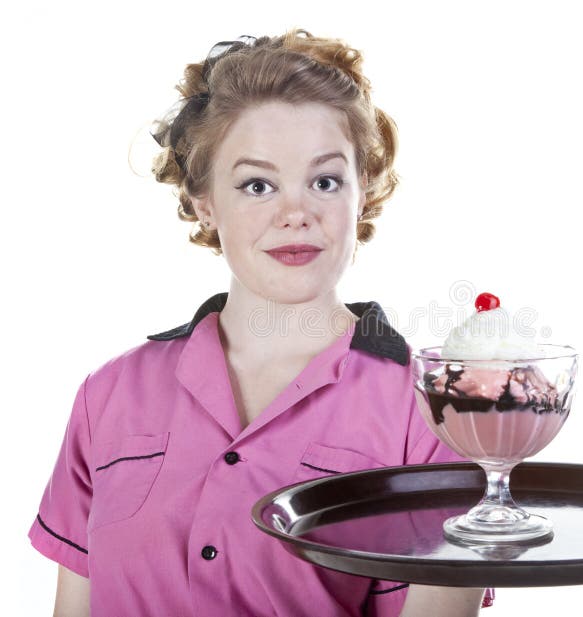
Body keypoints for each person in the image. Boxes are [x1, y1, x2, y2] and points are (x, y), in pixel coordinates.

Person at [29, 29, 492, 616]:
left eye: (324, 181)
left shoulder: (434, 415)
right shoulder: (110, 395)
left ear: (363, 190)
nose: (295, 214)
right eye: (257, 185)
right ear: (205, 202)